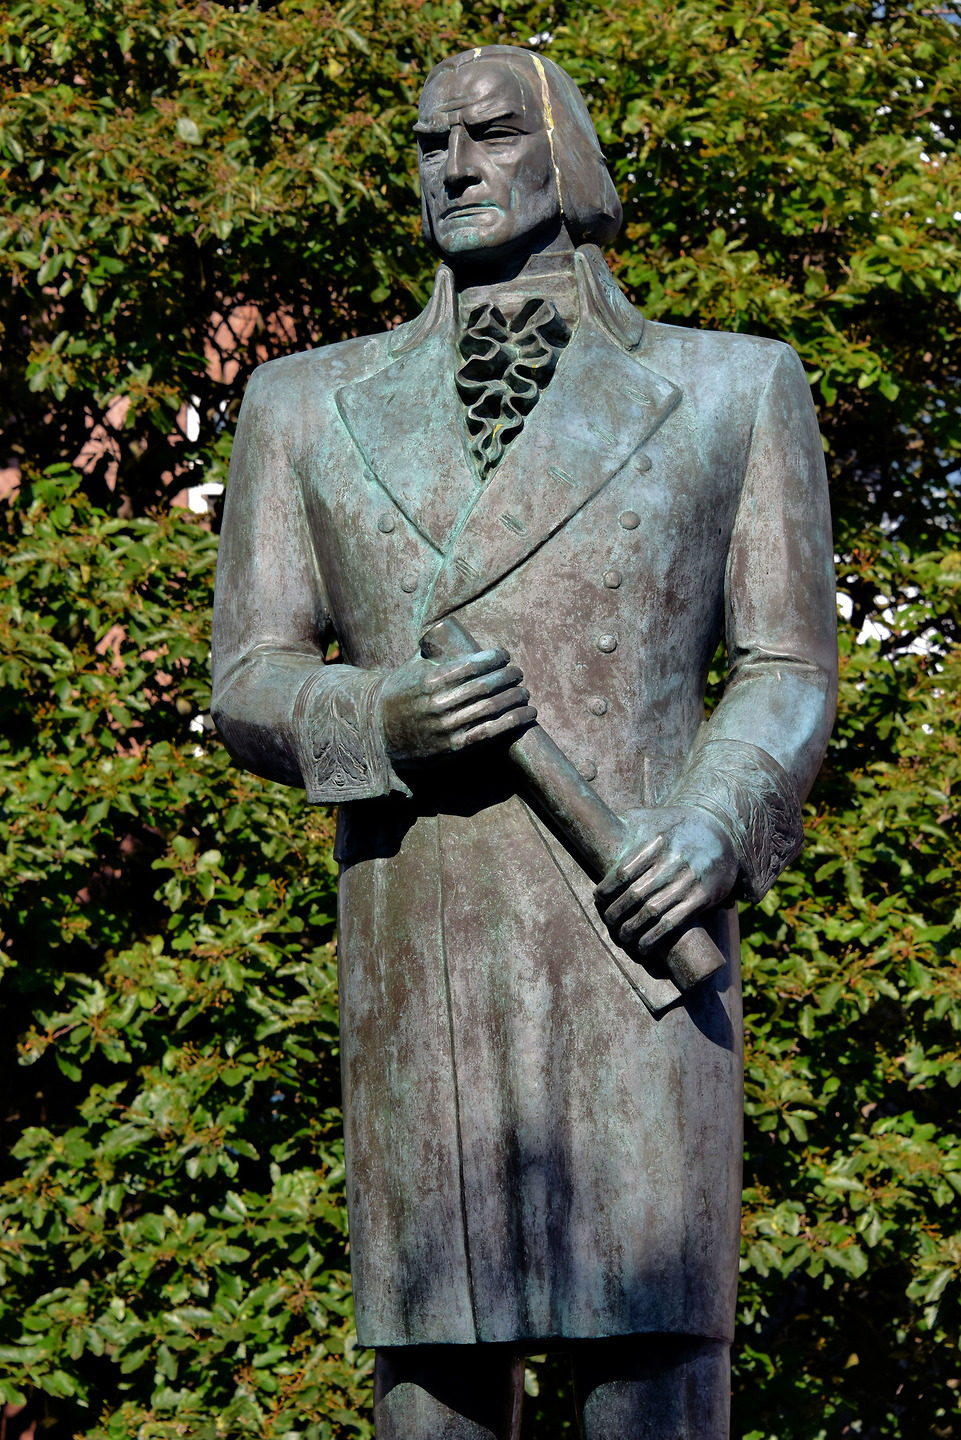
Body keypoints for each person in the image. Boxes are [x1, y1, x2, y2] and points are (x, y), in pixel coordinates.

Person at [211, 44, 837, 1440]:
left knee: (653, 1362)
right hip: (421, 939)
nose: (456, 165)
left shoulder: (732, 387)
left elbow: (788, 663)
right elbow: (247, 677)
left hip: (636, 935)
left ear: (566, 154)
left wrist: (713, 826)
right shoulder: (303, 405)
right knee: (432, 1376)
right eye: (431, 142)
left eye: (492, 134)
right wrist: (377, 716)